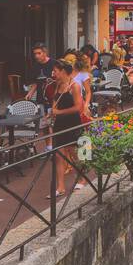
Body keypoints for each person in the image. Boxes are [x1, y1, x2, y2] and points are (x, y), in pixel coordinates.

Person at [49, 59, 89, 195]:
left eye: (55, 71)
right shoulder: (57, 84)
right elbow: (55, 101)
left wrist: (59, 112)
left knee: (74, 153)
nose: (53, 73)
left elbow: (78, 107)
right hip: (59, 123)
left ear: (63, 71)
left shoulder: (74, 86)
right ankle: (60, 187)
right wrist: (52, 111)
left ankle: (83, 178)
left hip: (72, 122)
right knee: (58, 155)